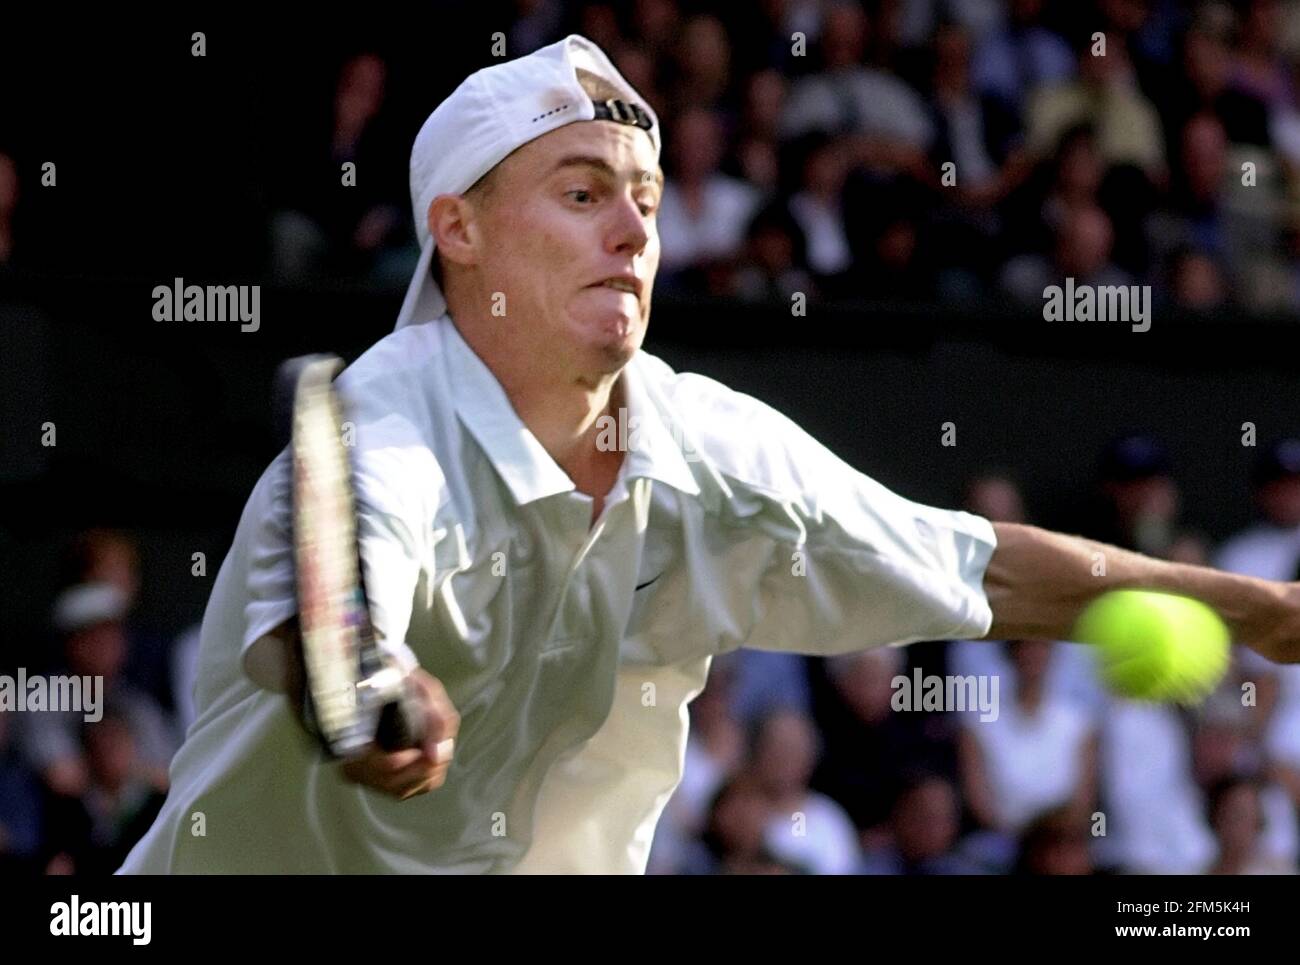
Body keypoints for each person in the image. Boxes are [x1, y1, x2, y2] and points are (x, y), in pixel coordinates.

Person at [121, 34, 1300, 875]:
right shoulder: (386, 426)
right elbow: (312, 626)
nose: (635, 231)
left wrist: (1256, 609)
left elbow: (983, 570)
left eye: (645, 196)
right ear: (460, 230)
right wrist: (377, 677)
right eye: (581, 193)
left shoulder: (706, 447)